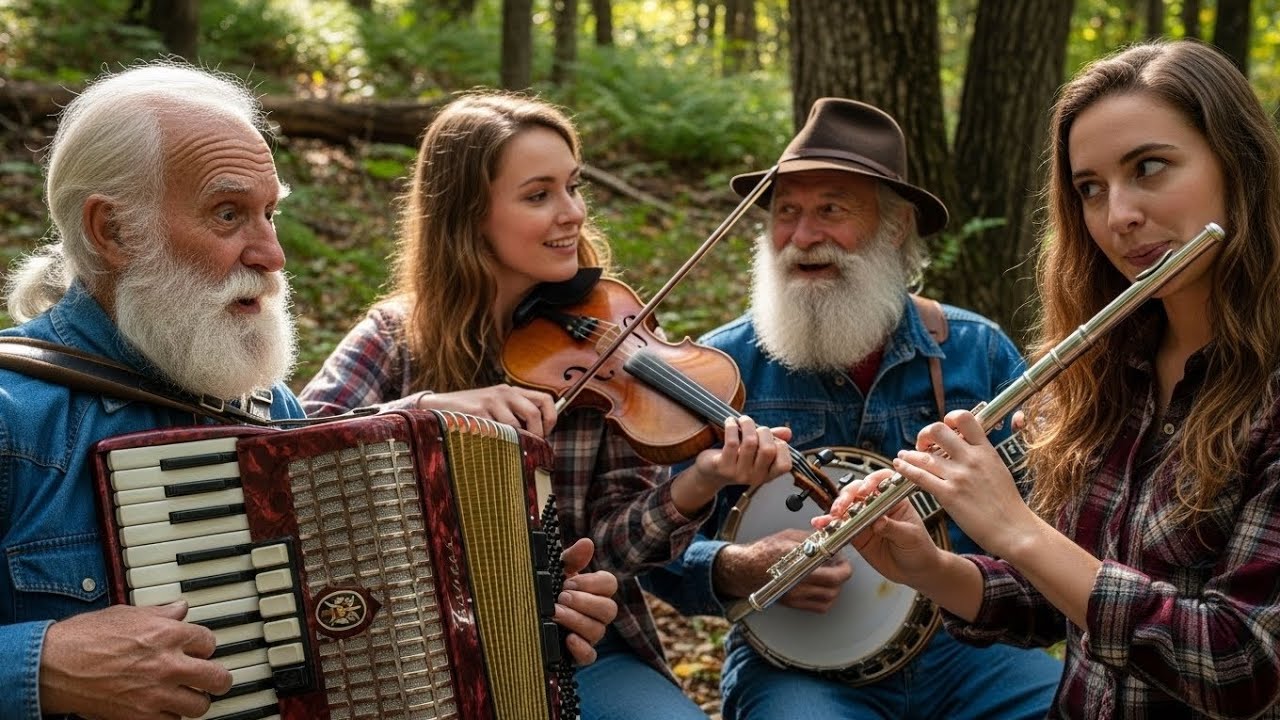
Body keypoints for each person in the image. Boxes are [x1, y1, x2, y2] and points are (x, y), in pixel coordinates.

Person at [0, 63, 618, 720]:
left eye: (270, 214)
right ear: (112, 231)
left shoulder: (269, 412)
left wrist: (519, 611)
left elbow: (356, 635)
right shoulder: (17, 418)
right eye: (228, 213)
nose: (271, 253)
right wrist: (43, 663)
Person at [821, 40, 1280, 718]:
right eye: (1089, 189)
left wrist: (1016, 529)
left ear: (1239, 167)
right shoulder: (1108, 372)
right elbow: (1069, 595)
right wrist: (929, 568)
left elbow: (1242, 663)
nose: (1117, 216)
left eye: (1149, 167)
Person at [298, 91, 793, 719]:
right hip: (415, 651)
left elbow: (613, 550)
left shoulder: (608, 328)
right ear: (468, 216)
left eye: (574, 187)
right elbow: (295, 449)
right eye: (539, 195)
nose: (572, 214)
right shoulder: (397, 338)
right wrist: (429, 408)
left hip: (576, 646)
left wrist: (698, 483)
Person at [643, 97, 1062, 719]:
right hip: (796, 666)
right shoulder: (720, 369)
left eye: (831, 210)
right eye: (787, 212)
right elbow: (649, 542)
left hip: (966, 649)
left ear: (894, 229)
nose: (803, 237)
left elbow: (1050, 518)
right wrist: (736, 565)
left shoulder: (975, 352)